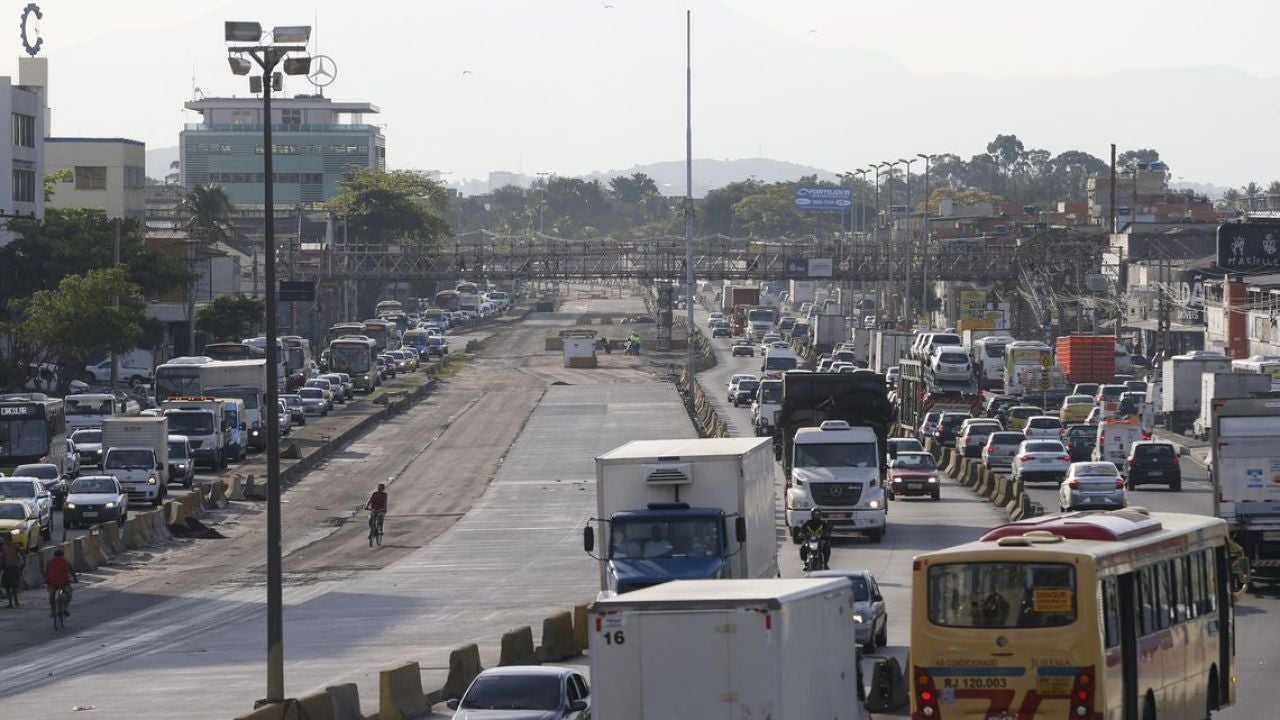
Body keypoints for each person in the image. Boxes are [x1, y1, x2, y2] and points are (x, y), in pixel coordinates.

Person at [44, 547, 77, 617]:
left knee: (51, 595)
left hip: (52, 582)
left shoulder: (49, 562)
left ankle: (53, 612)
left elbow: (46, 572)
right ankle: (65, 607)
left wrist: (45, 580)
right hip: (64, 582)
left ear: (54, 555)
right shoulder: (66, 561)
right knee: (69, 594)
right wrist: (75, 579)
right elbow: (72, 571)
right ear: (63, 555)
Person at [1, 535, 24, 608]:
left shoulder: (15, 546)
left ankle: (16, 602)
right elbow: (3, 557)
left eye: (6, 539)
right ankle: (10, 603)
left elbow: (22, 554)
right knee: (7, 586)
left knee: (13, 586)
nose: (5, 541)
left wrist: (23, 564)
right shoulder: (3, 547)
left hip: (14, 567)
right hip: (6, 568)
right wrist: (2, 566)